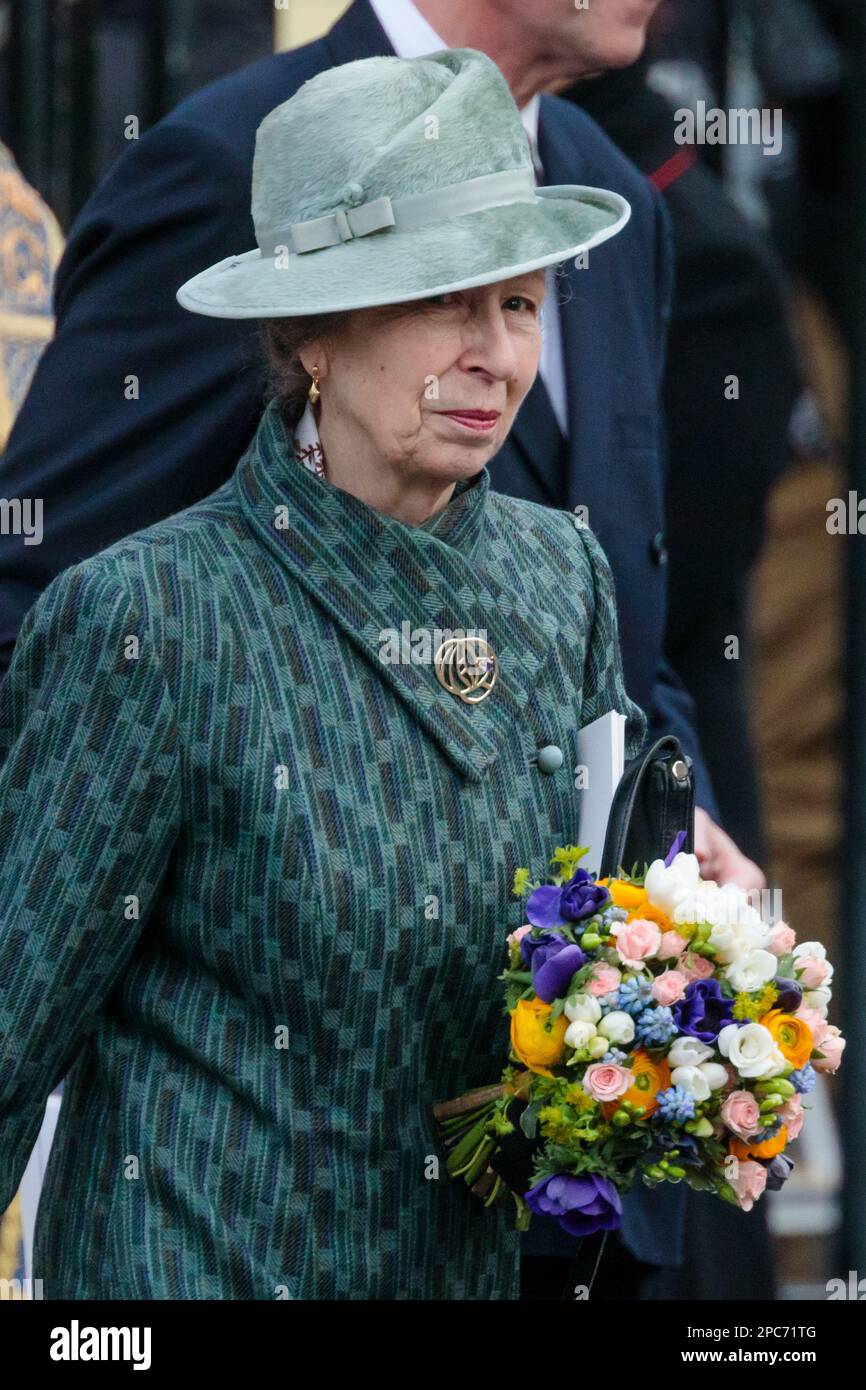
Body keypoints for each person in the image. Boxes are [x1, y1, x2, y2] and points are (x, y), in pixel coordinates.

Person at [0, 0, 761, 1292]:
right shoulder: (152, 617)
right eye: (441, 303)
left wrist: (678, 1007)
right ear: (308, 333)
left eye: (518, 304)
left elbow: (563, 953)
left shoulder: (551, 583)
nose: (494, 355)